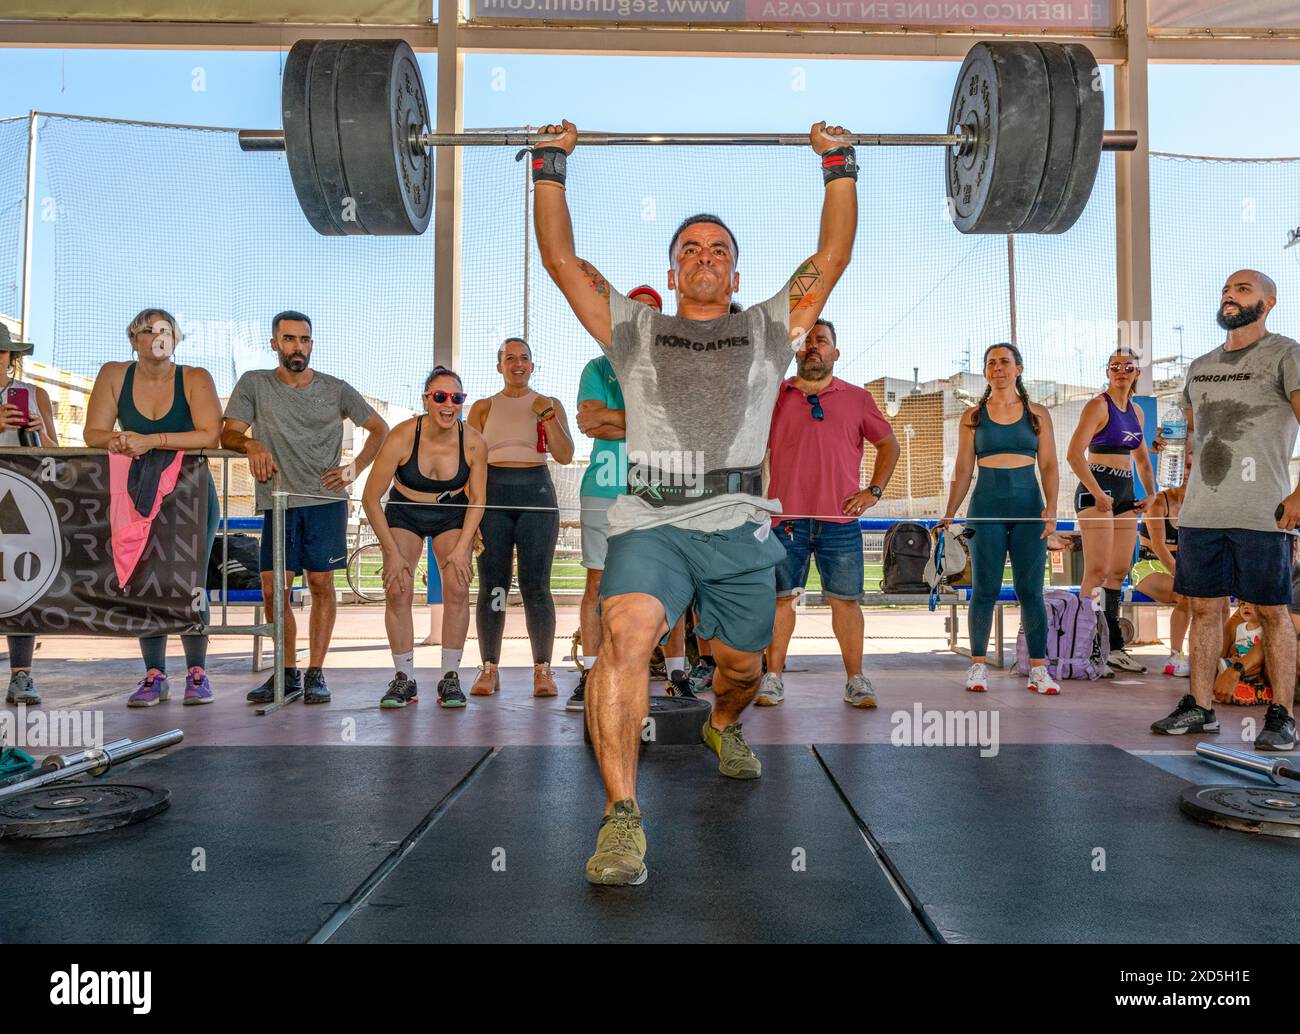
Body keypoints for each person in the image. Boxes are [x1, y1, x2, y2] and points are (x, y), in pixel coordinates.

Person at [533, 116, 857, 886]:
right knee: (627, 635)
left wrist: (838, 163)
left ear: (736, 275)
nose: (705, 259)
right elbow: (559, 258)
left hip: (739, 523)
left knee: (742, 669)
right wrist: (550, 165)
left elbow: (831, 255)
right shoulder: (635, 329)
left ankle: (721, 724)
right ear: (673, 271)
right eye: (691, 251)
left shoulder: (769, 328)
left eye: (719, 252)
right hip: (652, 516)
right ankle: (621, 819)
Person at [1152, 270, 1300, 750]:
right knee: (1203, 608)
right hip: (1202, 512)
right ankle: (1199, 706)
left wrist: (1298, 495)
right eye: (1226, 290)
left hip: (1263, 511)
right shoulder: (1199, 366)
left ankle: (1280, 715)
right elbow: (1189, 436)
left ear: (1269, 302)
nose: (1230, 296)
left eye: (1242, 289)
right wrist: (1173, 450)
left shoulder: (1285, 353)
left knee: (1273, 612)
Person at [220, 311, 389, 705]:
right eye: (290, 339)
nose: (298, 347)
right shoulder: (255, 384)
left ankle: (315, 672)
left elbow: (379, 428)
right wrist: (252, 444)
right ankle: (286, 670)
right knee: (272, 587)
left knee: (320, 584)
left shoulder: (335, 388)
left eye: (305, 340)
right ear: (274, 343)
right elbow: (228, 432)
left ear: (312, 344)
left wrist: (354, 469)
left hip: (325, 501)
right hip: (278, 503)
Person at [83, 309, 222, 706]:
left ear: (176, 339)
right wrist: (122, 441)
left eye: (165, 331)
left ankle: (197, 671)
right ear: (134, 340)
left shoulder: (195, 378)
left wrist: (152, 440)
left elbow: (210, 434)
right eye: (148, 330)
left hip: (190, 490)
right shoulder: (114, 374)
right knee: (145, 575)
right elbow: (93, 432)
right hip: (138, 487)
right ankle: (154, 673)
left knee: (190, 575)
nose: (157, 337)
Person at [761, 317, 899, 708]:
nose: (812, 347)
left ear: (836, 353)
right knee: (781, 600)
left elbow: (889, 445)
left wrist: (873, 491)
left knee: (845, 601)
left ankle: (856, 679)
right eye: (805, 341)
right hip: (785, 521)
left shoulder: (857, 398)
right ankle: (772, 678)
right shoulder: (775, 396)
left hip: (839, 521)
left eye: (821, 340)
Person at [571, 285, 689, 712]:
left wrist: (618, 420)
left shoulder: (673, 368)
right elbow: (590, 423)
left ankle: (677, 673)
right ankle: (590, 673)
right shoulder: (597, 367)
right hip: (604, 490)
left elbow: (674, 428)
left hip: (660, 490)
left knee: (671, 586)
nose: (644, 316)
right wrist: (645, 421)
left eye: (652, 311)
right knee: (597, 584)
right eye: (636, 310)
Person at [940, 343, 1061, 695]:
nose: (998, 368)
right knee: (985, 589)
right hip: (986, 508)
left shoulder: (1037, 413)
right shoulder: (973, 416)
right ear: (985, 371)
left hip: (1028, 508)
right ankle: (977, 666)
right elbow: (963, 469)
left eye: (1004, 362)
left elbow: (1050, 465)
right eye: (991, 363)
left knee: (1030, 591)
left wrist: (1051, 508)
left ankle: (1039, 670)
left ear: (1018, 369)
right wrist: (950, 512)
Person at [362, 367, 486, 709]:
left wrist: (463, 549)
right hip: (405, 511)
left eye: (457, 398)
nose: (449, 404)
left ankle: (450, 678)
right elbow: (371, 498)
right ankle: (404, 678)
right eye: (440, 397)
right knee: (398, 586)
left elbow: (477, 499)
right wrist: (392, 553)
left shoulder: (473, 441)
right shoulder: (403, 436)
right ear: (426, 400)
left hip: (452, 512)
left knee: (459, 584)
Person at [466, 338, 574, 697]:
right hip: (494, 494)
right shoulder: (482, 407)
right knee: (493, 586)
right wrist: (473, 514)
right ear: (499, 366)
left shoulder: (549, 403)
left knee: (536, 585)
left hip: (536, 493)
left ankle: (543, 669)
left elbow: (564, 455)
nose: (517, 364)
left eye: (524, 358)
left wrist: (547, 416)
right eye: (509, 358)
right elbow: (469, 462)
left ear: (532, 365)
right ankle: (488, 669)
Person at [1066, 349, 1156, 674]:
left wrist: (1152, 495)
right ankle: (1086, 647)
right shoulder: (1097, 405)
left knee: (1118, 572)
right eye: (1114, 366)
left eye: (1127, 367)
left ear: (1136, 374)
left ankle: (1113, 645)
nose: (1121, 371)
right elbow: (1074, 454)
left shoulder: (1137, 412)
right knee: (1097, 571)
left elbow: (1143, 461)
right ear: (1107, 372)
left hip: (1125, 496)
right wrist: (1095, 492)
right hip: (1097, 494)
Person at [0, 325, 58, 706]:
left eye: (1, 352)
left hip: (20, 498)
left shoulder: (34, 394)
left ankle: (22, 675)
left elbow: (59, 452)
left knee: (21, 584)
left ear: (11, 356)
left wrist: (39, 433)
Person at [1131, 453, 1191, 677]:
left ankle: (1214, 654)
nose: (1186, 473)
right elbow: (1158, 545)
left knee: (1213, 598)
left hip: (1184, 566)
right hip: (1150, 566)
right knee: (1185, 593)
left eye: (1190, 467)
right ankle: (1175, 656)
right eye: (1181, 467)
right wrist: (1182, 574)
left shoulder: (1197, 504)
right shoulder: (1159, 501)